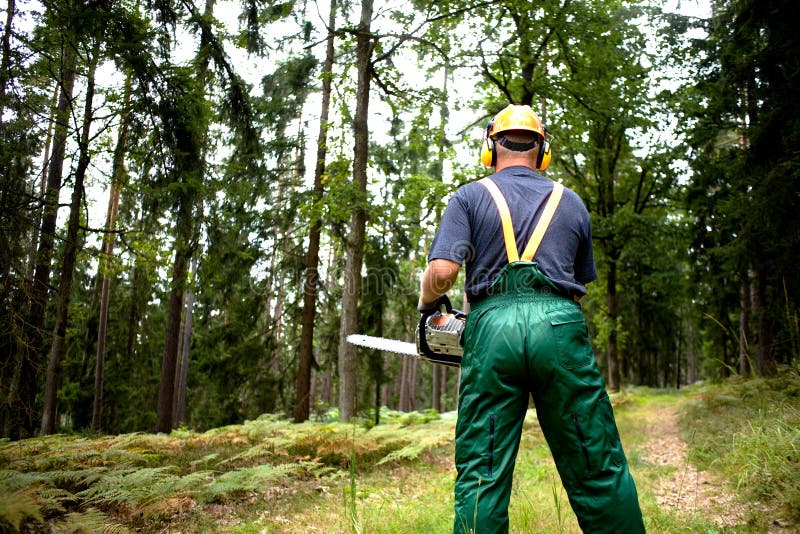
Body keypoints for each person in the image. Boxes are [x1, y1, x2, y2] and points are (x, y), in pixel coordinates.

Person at [418, 104, 645, 533]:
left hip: (491, 331)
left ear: (491, 148)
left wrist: (428, 303)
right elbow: (579, 282)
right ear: (542, 151)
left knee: (481, 472)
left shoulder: (468, 197)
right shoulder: (572, 202)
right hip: (559, 327)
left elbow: (444, 272)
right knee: (596, 461)